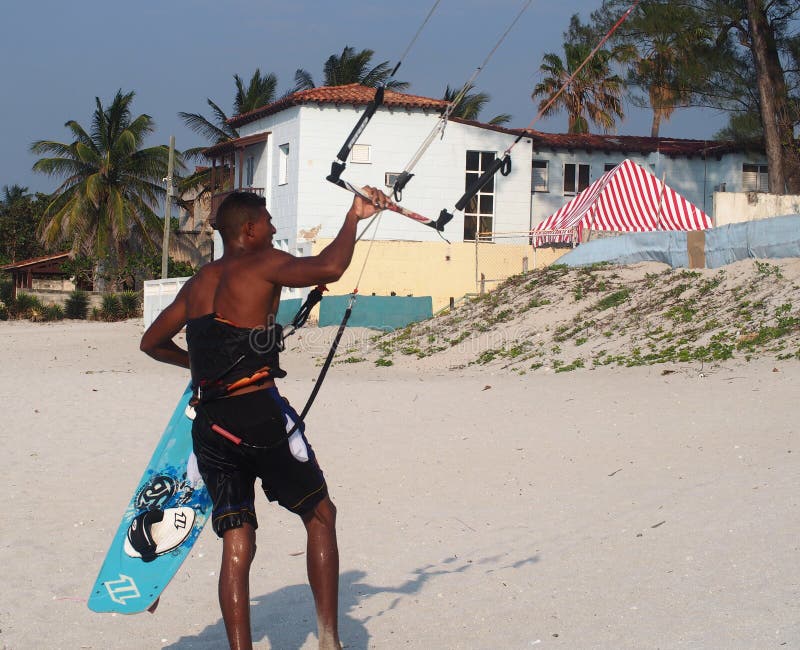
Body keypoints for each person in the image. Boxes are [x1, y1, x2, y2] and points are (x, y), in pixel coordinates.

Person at [140, 187, 392, 650]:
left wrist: (202, 373)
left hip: (210, 422)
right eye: (269, 221)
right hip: (258, 416)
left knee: (237, 539)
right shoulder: (264, 261)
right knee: (320, 514)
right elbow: (331, 266)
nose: (275, 229)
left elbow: (152, 342)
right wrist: (354, 217)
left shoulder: (197, 282)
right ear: (249, 230)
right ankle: (330, 641)